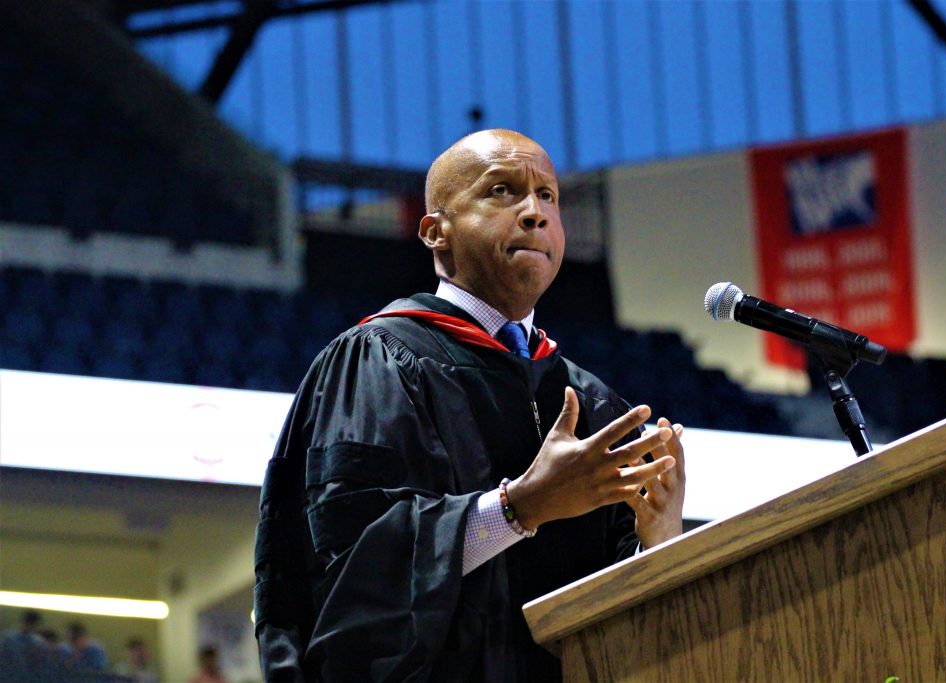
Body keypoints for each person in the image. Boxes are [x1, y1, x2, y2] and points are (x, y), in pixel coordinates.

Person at [254, 129, 686, 681]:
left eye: (548, 196)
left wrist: (659, 539)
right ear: (437, 232)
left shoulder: (592, 403)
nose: (535, 213)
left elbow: (619, 630)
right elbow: (350, 570)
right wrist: (519, 508)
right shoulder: (378, 361)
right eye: (502, 191)